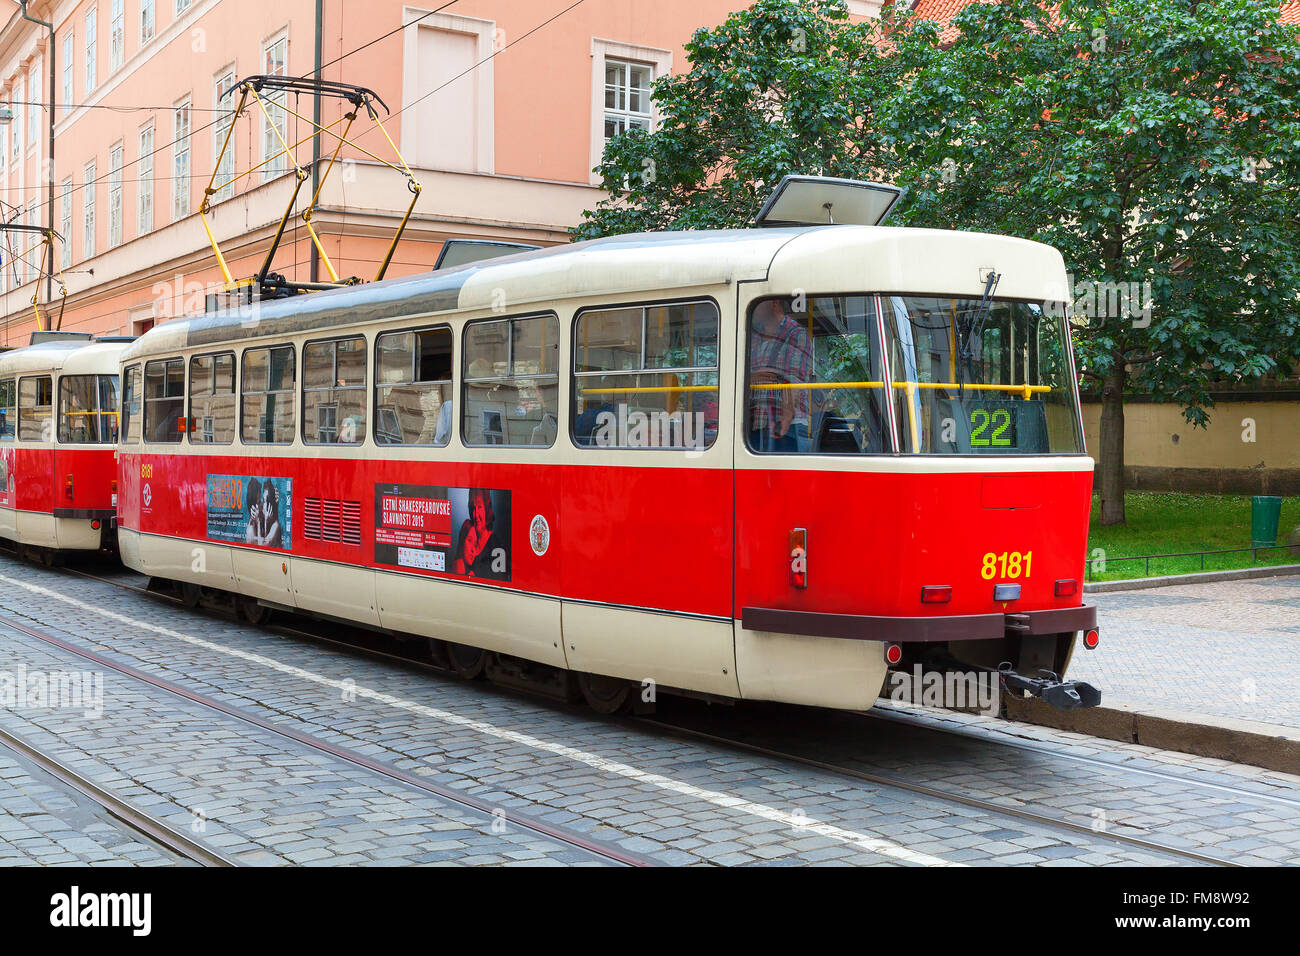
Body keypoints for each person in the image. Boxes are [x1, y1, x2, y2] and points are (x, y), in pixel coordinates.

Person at [749, 298, 814, 452]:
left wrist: (787, 415)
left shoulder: (796, 333)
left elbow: (795, 377)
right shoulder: (755, 338)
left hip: (787, 425)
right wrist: (750, 378)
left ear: (774, 303)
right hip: (758, 421)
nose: (755, 310)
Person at [453, 488, 500, 577]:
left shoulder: (495, 543)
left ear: (486, 508)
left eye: (479, 507)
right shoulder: (467, 530)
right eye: (472, 508)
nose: (475, 514)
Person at [245, 478, 283, 547]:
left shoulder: (275, 525)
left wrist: (274, 505)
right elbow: (261, 547)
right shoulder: (251, 529)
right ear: (253, 506)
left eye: (263, 501)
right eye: (259, 502)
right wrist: (262, 522)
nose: (262, 504)